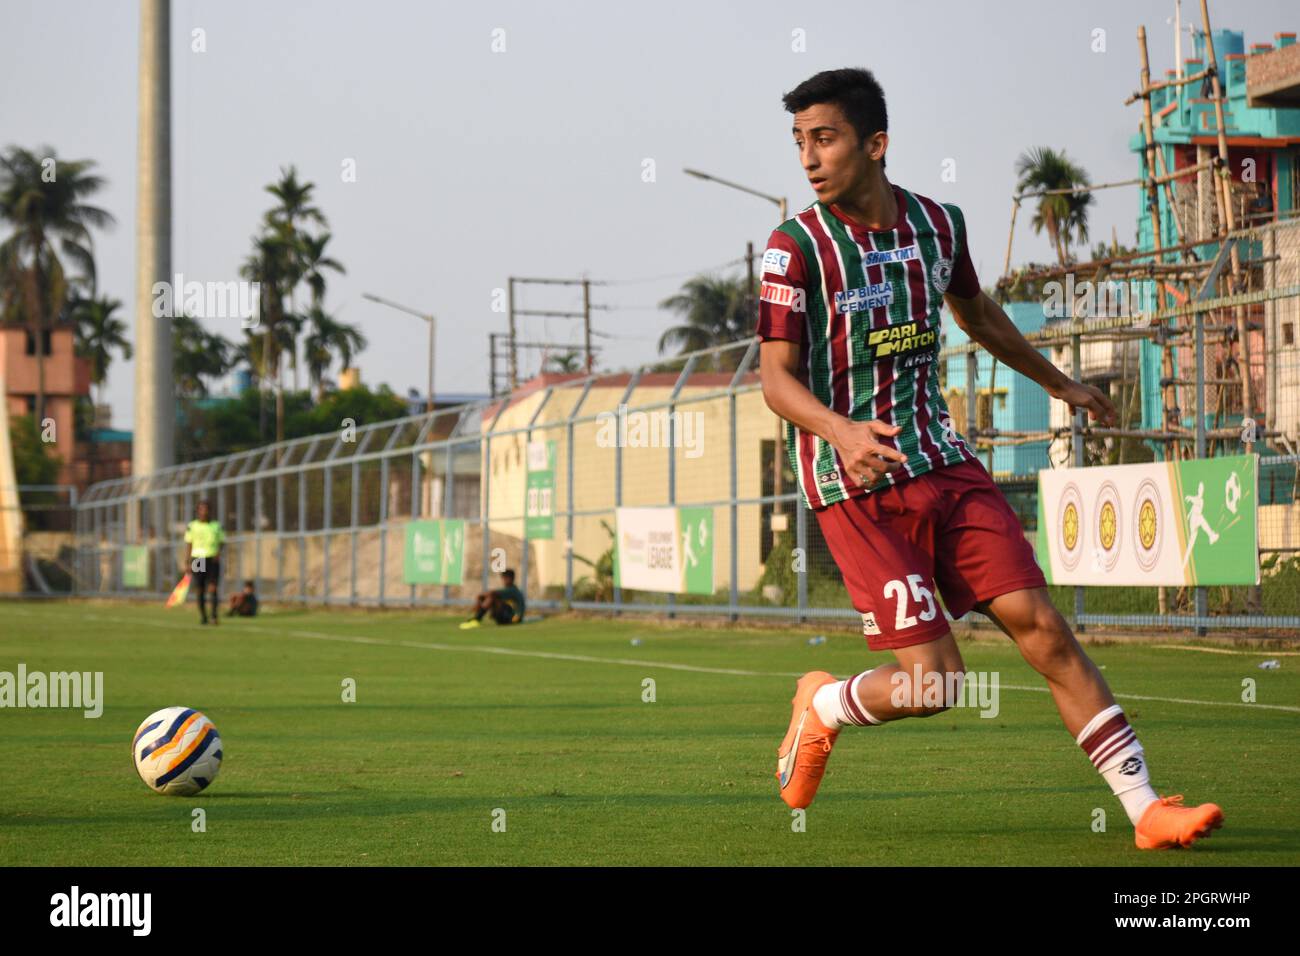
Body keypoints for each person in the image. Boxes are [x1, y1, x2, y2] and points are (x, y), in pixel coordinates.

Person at [761, 68, 1222, 849]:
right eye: (800, 141)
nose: (809, 156)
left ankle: (1146, 810)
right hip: (856, 488)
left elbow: (978, 315)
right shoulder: (795, 246)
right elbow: (775, 378)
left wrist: (1063, 383)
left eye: (825, 138)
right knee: (937, 684)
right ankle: (826, 705)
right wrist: (841, 430)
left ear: (876, 144)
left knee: (1044, 628)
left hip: (944, 465)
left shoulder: (940, 226)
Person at [183, 499, 224, 627]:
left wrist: (218, 552)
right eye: (201, 509)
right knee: (200, 588)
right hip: (198, 559)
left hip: (211, 558)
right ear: (198, 511)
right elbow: (189, 543)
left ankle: (214, 615)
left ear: (209, 511)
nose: (204, 512)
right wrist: (188, 562)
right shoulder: (192, 526)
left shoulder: (216, 526)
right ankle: (203, 616)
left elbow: (222, 541)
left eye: (206, 509)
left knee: (213, 587)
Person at [459, 569, 525, 629]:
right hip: (508, 618)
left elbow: (492, 593)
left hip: (513, 619)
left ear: (510, 579)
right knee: (492, 598)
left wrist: (479, 597)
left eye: (505, 578)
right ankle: (476, 618)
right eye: (503, 578)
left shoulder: (512, 590)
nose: (503, 580)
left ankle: (477, 619)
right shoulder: (512, 589)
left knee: (492, 597)